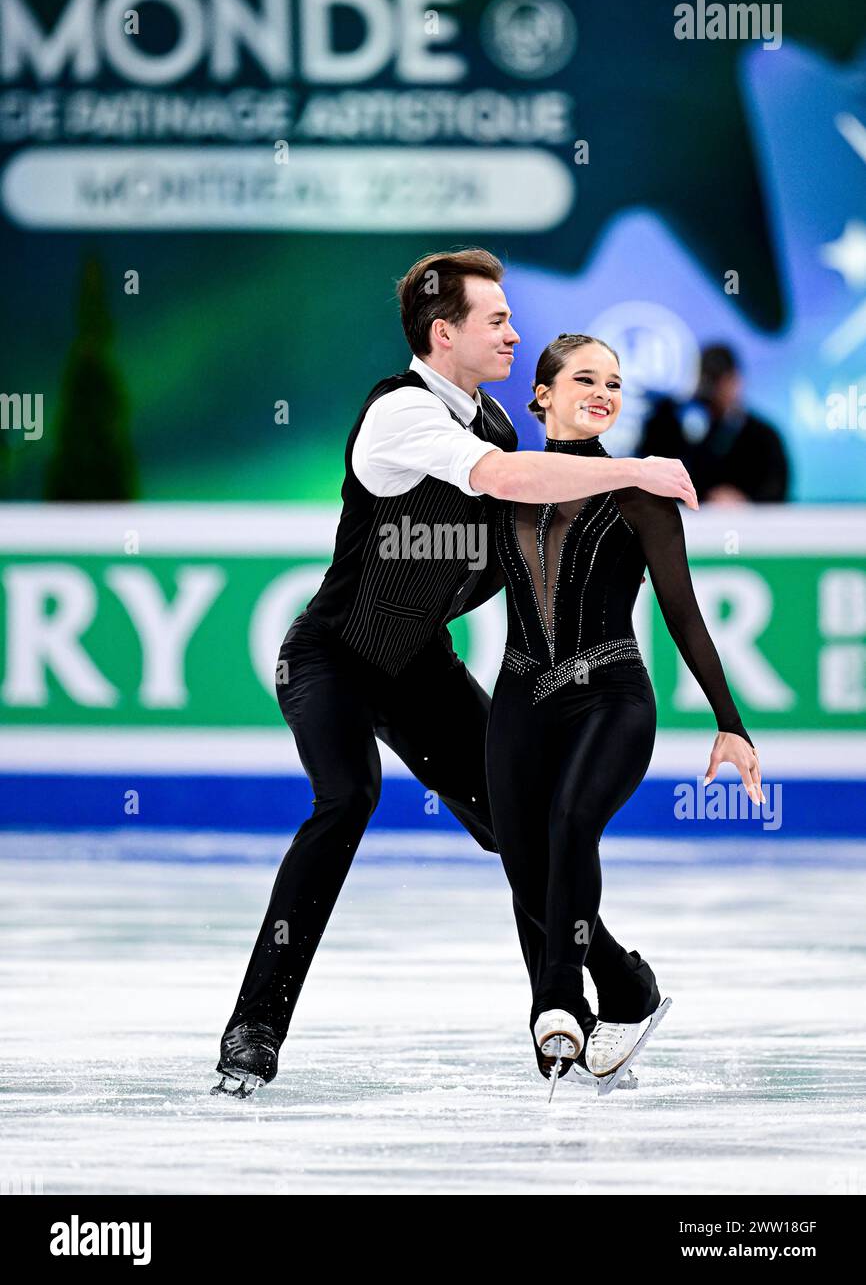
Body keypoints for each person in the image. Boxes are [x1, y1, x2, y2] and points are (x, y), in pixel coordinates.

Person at [212, 251, 698, 1097]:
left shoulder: (500, 424)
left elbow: (507, 539)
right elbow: (504, 482)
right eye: (497, 320)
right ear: (445, 334)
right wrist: (636, 470)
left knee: (522, 821)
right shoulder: (400, 414)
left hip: (416, 665)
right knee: (347, 798)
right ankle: (254, 1027)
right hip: (332, 654)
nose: (515, 331)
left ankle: (608, 991)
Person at [486, 332, 763, 1090]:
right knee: (524, 868)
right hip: (517, 697)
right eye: (585, 378)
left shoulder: (642, 492)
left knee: (571, 822)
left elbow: (683, 613)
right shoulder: (499, 481)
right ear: (541, 393)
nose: (604, 391)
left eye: (614, 382)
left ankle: (557, 1000)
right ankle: (628, 987)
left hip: (612, 696)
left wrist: (730, 722)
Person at [638, 343, 789, 503]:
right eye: (710, 381)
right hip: (690, 519)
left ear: (736, 380)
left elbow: (776, 487)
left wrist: (745, 501)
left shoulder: (763, 436)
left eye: (722, 381)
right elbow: (652, 469)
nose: (715, 390)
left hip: (749, 522)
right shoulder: (675, 426)